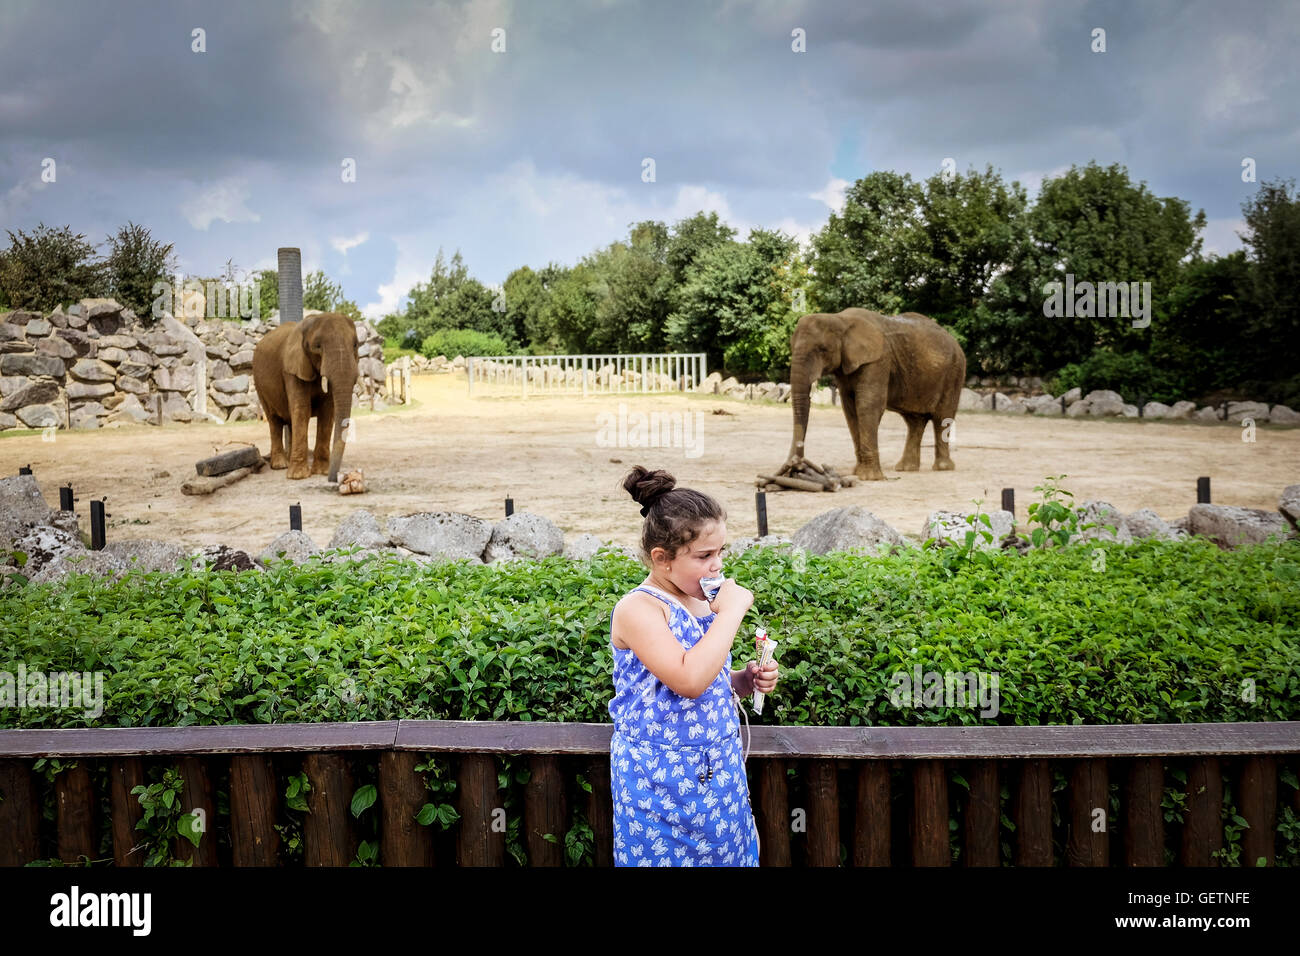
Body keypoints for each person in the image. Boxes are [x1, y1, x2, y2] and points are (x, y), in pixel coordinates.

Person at [607, 465, 779, 866]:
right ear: (662, 559)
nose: (717, 565)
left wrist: (743, 680)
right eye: (704, 555)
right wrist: (732, 613)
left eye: (721, 552)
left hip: (718, 775)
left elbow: (706, 676)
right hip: (658, 785)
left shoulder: (701, 602)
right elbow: (687, 679)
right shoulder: (638, 609)